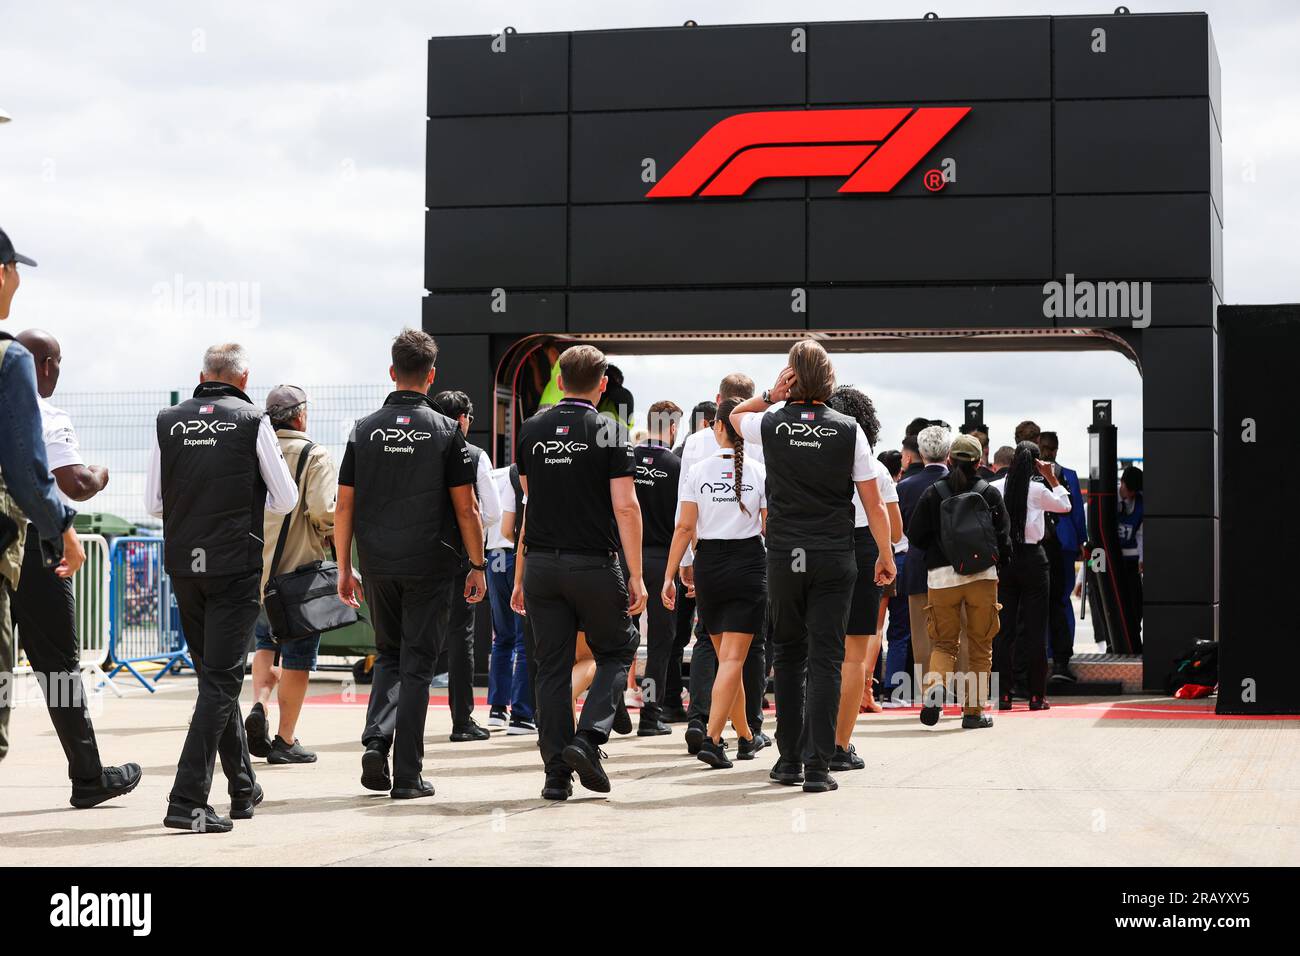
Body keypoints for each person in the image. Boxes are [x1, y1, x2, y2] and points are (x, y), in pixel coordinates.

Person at [731, 342, 895, 793]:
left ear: (791, 378)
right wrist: (884, 553)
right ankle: (818, 767)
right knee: (827, 658)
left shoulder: (771, 424)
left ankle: (787, 761)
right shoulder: (849, 430)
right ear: (828, 378)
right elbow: (873, 502)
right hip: (833, 555)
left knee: (787, 655)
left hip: (785, 555)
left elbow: (732, 416)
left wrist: (771, 393)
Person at [149, 343, 299, 832]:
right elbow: (286, 496)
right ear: (244, 379)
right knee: (220, 682)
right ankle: (186, 799)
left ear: (201, 375)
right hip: (234, 566)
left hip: (185, 566)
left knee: (216, 680)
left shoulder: (168, 419)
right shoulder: (252, 420)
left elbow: (154, 504)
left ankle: (242, 786)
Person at [335, 330, 486, 801]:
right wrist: (478, 565)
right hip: (431, 563)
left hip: (377, 563)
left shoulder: (363, 429)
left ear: (391, 371)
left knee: (390, 656)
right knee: (418, 665)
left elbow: (343, 506)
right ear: (432, 375)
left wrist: (344, 566)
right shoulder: (447, 433)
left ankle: (377, 740)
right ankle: (407, 776)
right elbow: (467, 509)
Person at [5, 329, 140, 806]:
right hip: (36, 545)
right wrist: (103, 473)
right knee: (58, 668)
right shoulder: (46, 413)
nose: (58, 371)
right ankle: (87, 777)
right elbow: (76, 483)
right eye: (57, 362)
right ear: (44, 365)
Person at [510, 345, 645, 800]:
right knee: (619, 646)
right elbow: (626, 508)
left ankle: (554, 775)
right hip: (593, 564)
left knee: (550, 669)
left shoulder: (530, 430)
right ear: (602, 384)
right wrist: (638, 576)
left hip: (543, 566)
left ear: (561, 381)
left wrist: (519, 576)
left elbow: (530, 506)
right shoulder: (612, 431)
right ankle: (587, 740)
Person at [0, 229, 85, 772]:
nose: (18, 280)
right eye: (14, 269)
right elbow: (30, 474)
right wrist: (64, 529)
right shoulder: (10, 360)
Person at [663, 397, 767, 768]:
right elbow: (769, 528)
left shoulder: (697, 470)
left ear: (717, 427)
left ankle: (747, 737)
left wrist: (670, 573)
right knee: (734, 660)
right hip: (748, 566)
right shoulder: (758, 472)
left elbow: (684, 527)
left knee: (728, 660)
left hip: (708, 566)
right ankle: (711, 738)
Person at [245, 385, 337, 765]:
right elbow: (323, 511)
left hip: (256, 572)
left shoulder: (252, 450)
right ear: (301, 416)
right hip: (298, 577)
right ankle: (285, 740)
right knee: (298, 656)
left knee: (265, 643)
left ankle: (260, 707)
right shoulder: (314, 455)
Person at [905, 434, 1012, 728]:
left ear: (950, 460)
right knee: (980, 645)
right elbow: (1004, 539)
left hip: (941, 579)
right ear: (980, 462)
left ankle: (935, 688)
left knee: (943, 643)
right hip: (982, 578)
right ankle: (973, 713)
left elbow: (915, 536)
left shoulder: (932, 493)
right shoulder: (989, 493)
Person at [827, 386, 902, 767]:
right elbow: (896, 530)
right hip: (866, 550)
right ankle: (840, 746)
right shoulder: (877, 468)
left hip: (822, 549)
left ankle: (811, 742)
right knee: (854, 656)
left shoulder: (815, 461)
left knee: (818, 653)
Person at [431, 390, 501, 743]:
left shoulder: (421, 451)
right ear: (463, 419)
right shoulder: (474, 456)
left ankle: (390, 722)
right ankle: (462, 721)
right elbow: (490, 513)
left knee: (413, 636)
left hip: (420, 556)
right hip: (461, 556)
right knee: (461, 636)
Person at [991, 441, 1072, 711]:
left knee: (1004, 631)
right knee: (1037, 629)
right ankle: (1037, 696)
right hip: (1034, 560)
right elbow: (1065, 506)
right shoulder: (1037, 489)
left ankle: (1003, 694)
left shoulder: (997, 487)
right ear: (1037, 463)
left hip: (1006, 560)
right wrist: (1051, 477)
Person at [663, 401, 715, 720]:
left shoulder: (677, 457)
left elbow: (680, 518)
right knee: (712, 635)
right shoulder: (727, 457)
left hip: (678, 553)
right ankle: (708, 705)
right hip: (708, 557)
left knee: (677, 634)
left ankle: (670, 701)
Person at [633, 399, 682, 736]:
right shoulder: (678, 466)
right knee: (660, 645)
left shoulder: (625, 459)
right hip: (663, 562)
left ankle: (615, 709)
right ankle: (650, 716)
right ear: (674, 428)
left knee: (620, 638)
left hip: (624, 559)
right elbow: (685, 522)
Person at [896, 425, 953, 702]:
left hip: (917, 564)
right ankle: (959, 690)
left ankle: (928, 692)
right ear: (949, 453)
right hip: (954, 566)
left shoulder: (904, 487)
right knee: (955, 632)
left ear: (920, 453)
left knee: (921, 634)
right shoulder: (958, 483)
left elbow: (900, 530)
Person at [485, 463, 534, 734]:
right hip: (519, 555)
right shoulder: (531, 474)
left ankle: (497, 709)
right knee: (524, 639)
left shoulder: (499, 473)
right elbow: (511, 528)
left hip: (495, 557)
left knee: (501, 638)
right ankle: (522, 714)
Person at [1038, 431, 1087, 682]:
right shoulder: (1037, 474)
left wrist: (1082, 541)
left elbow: (1077, 510)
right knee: (1048, 601)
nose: (1048, 452)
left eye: (1052, 448)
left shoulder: (1067, 475)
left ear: (1057, 449)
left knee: (1060, 599)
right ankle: (1051, 652)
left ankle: (1060, 653)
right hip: (1046, 543)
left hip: (1062, 544)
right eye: (1045, 447)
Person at [1117, 465, 1144, 649]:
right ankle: (1116, 642)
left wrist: (1142, 558)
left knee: (1136, 605)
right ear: (1122, 483)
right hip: (1112, 560)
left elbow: (1142, 534)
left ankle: (1134, 641)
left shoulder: (1141, 503)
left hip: (1132, 561)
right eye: (1130, 490)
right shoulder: (1109, 498)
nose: (1131, 494)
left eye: (1135, 491)